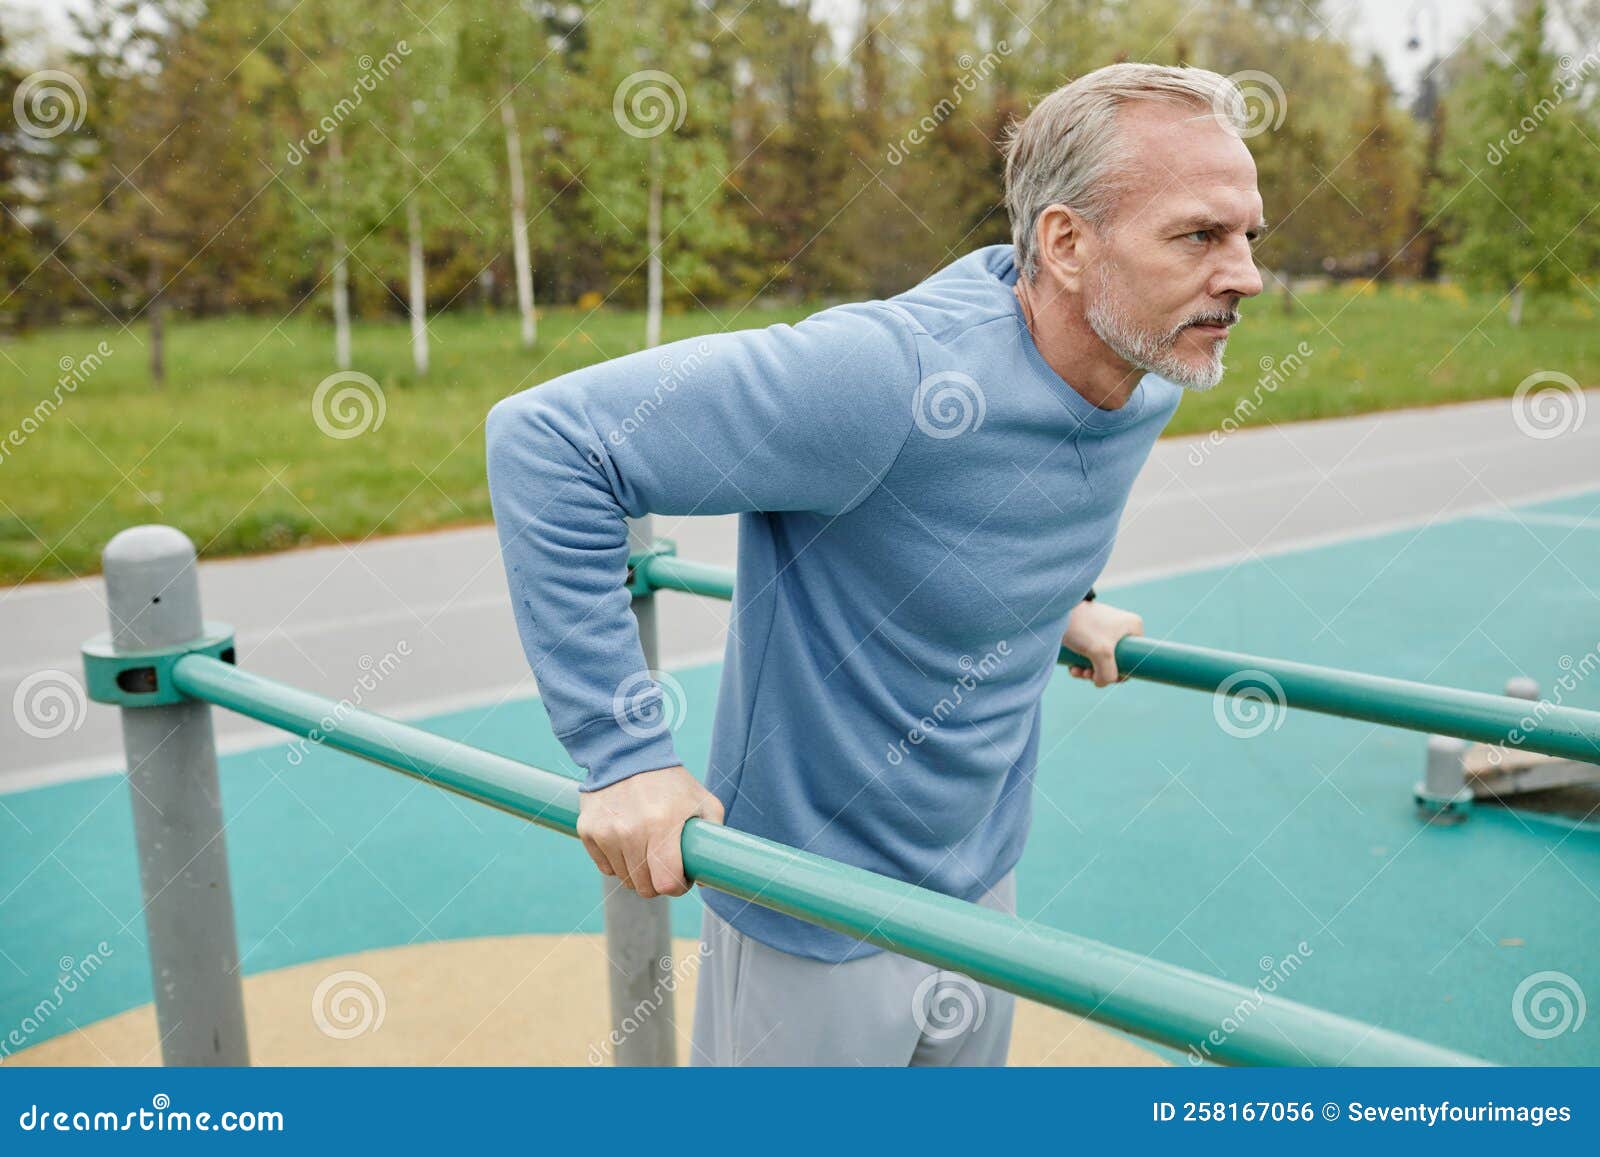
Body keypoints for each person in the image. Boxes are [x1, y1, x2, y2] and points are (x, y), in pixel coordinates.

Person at [485, 60, 1265, 1066]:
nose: (1243, 272)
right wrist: (622, 748)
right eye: (1199, 235)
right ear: (1065, 243)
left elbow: (1010, 490)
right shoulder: (882, 376)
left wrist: (1059, 599)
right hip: (812, 906)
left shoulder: (1150, 364)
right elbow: (548, 442)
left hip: (981, 880)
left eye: (1248, 236)